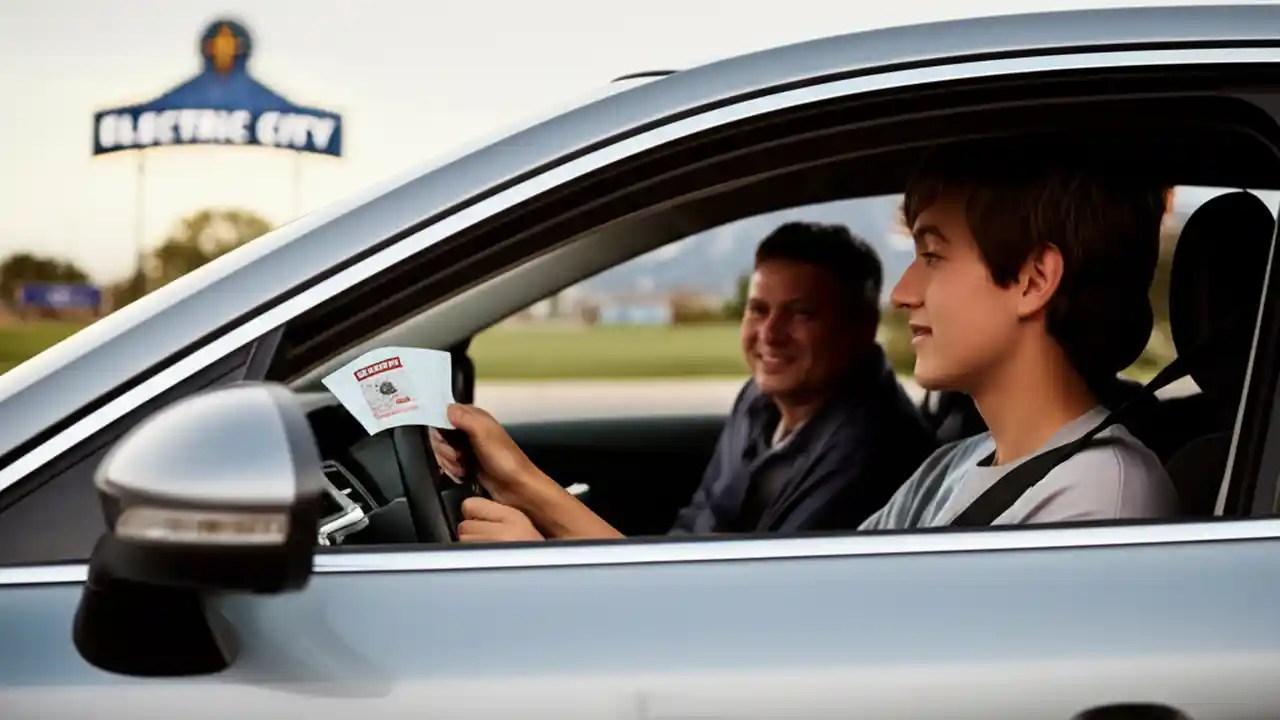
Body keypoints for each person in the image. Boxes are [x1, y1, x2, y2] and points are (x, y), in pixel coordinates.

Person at [438, 140, 1179, 541]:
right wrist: (524, 487)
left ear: (1031, 280)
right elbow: (779, 611)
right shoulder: (958, 463)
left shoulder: (1093, 500)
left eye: (933, 254)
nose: (903, 292)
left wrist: (542, 542)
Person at [434, 222, 937, 542]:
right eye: (758, 309)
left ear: (862, 327)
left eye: (801, 314)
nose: (770, 334)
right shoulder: (761, 399)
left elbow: (731, 606)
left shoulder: (872, 447)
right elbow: (697, 530)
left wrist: (525, 494)